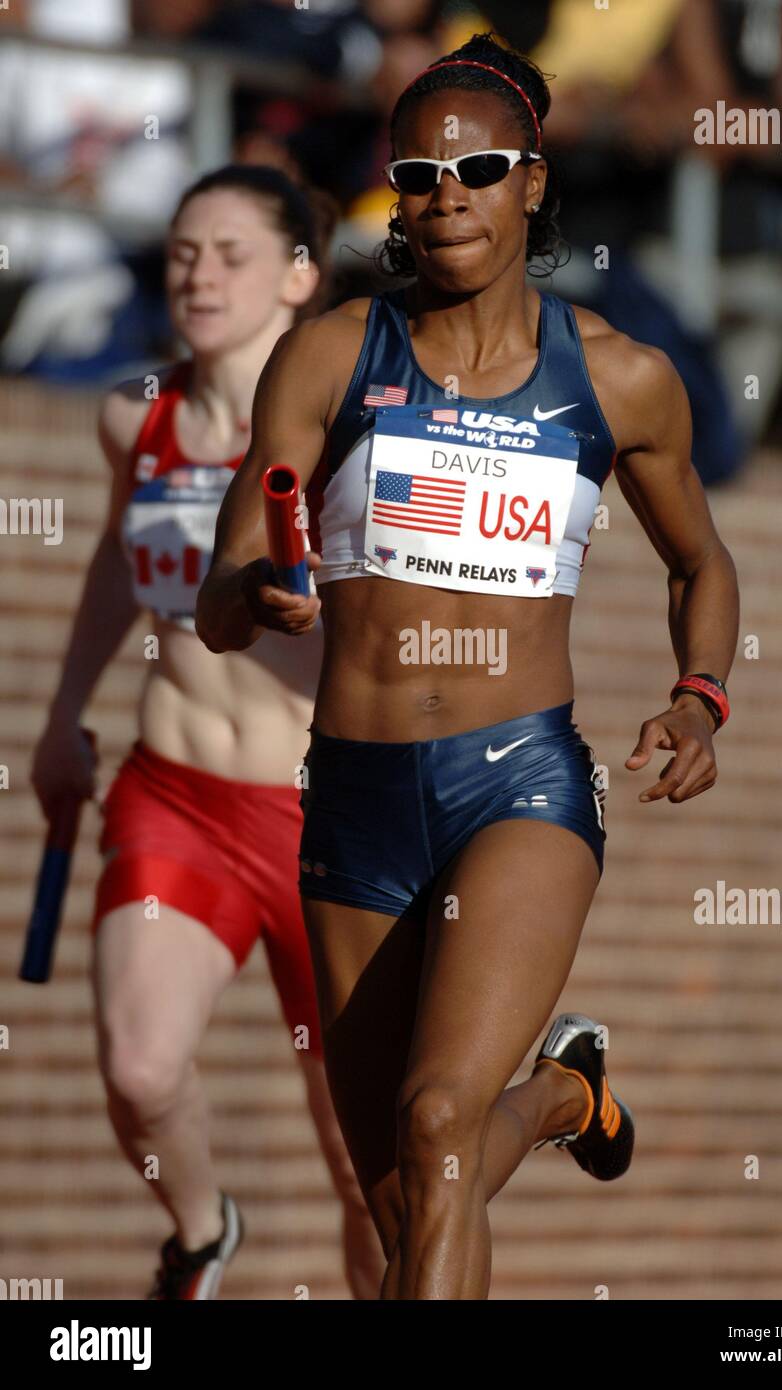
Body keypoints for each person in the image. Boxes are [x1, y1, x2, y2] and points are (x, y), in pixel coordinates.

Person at [196, 32, 740, 1301]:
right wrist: (251, 595)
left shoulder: (617, 377)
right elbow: (222, 589)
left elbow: (699, 561)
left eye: (479, 169)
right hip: (356, 797)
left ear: (532, 182)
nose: (446, 198)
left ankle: (536, 1093)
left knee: (440, 1124)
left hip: (520, 787)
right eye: (417, 177)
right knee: (400, 1189)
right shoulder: (334, 354)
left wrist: (697, 697)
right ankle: (560, 1095)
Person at [31, 164, 384, 1300]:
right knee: (138, 1066)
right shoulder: (137, 413)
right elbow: (114, 570)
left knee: (360, 1160)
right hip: (176, 787)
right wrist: (61, 714)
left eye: (230, 253)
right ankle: (199, 1230)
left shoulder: (349, 436)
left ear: (298, 277)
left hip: (325, 819)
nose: (198, 274)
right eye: (183, 252)